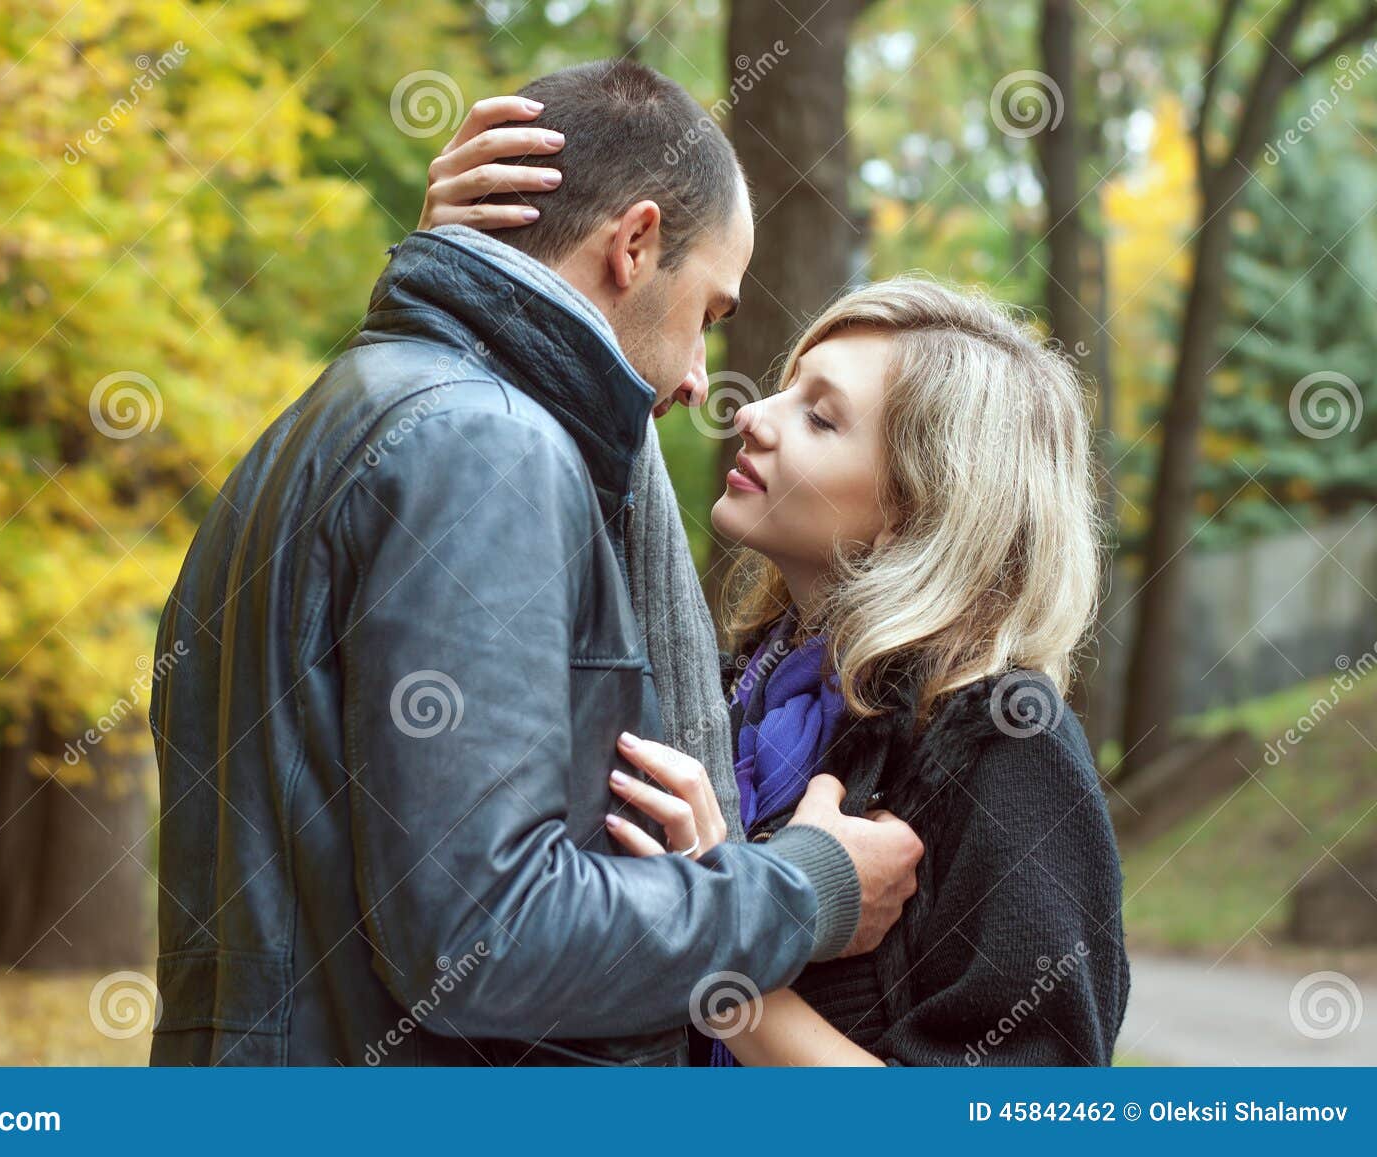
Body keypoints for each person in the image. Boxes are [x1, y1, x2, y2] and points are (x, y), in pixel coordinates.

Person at [147, 58, 924, 1067]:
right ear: (636, 242)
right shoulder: (481, 448)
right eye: (710, 314)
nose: (700, 379)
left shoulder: (332, 423)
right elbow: (483, 935)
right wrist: (805, 887)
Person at [420, 108, 1131, 1067]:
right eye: (787, 389)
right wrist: (477, 275)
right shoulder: (718, 690)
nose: (750, 413)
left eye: (821, 418)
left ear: (921, 507)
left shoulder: (1002, 741)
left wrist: (728, 947)